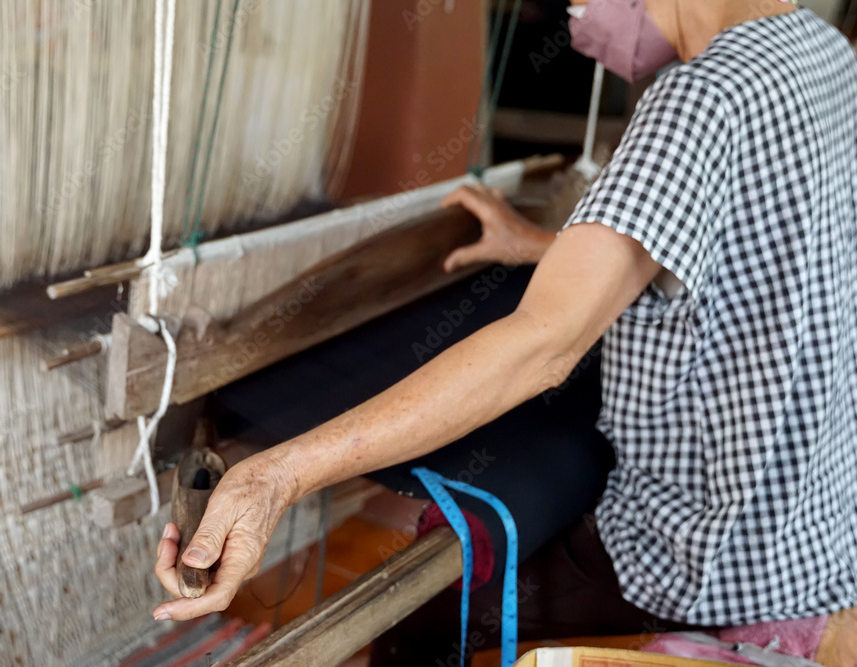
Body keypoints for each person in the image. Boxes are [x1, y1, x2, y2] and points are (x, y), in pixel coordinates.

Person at [153, 0, 857, 662]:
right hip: (810, 537)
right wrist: (545, 244)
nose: (578, 10)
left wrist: (280, 473)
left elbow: (543, 345)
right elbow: (758, 251)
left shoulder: (701, 98)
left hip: (705, 560)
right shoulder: (824, 54)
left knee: (419, 619)